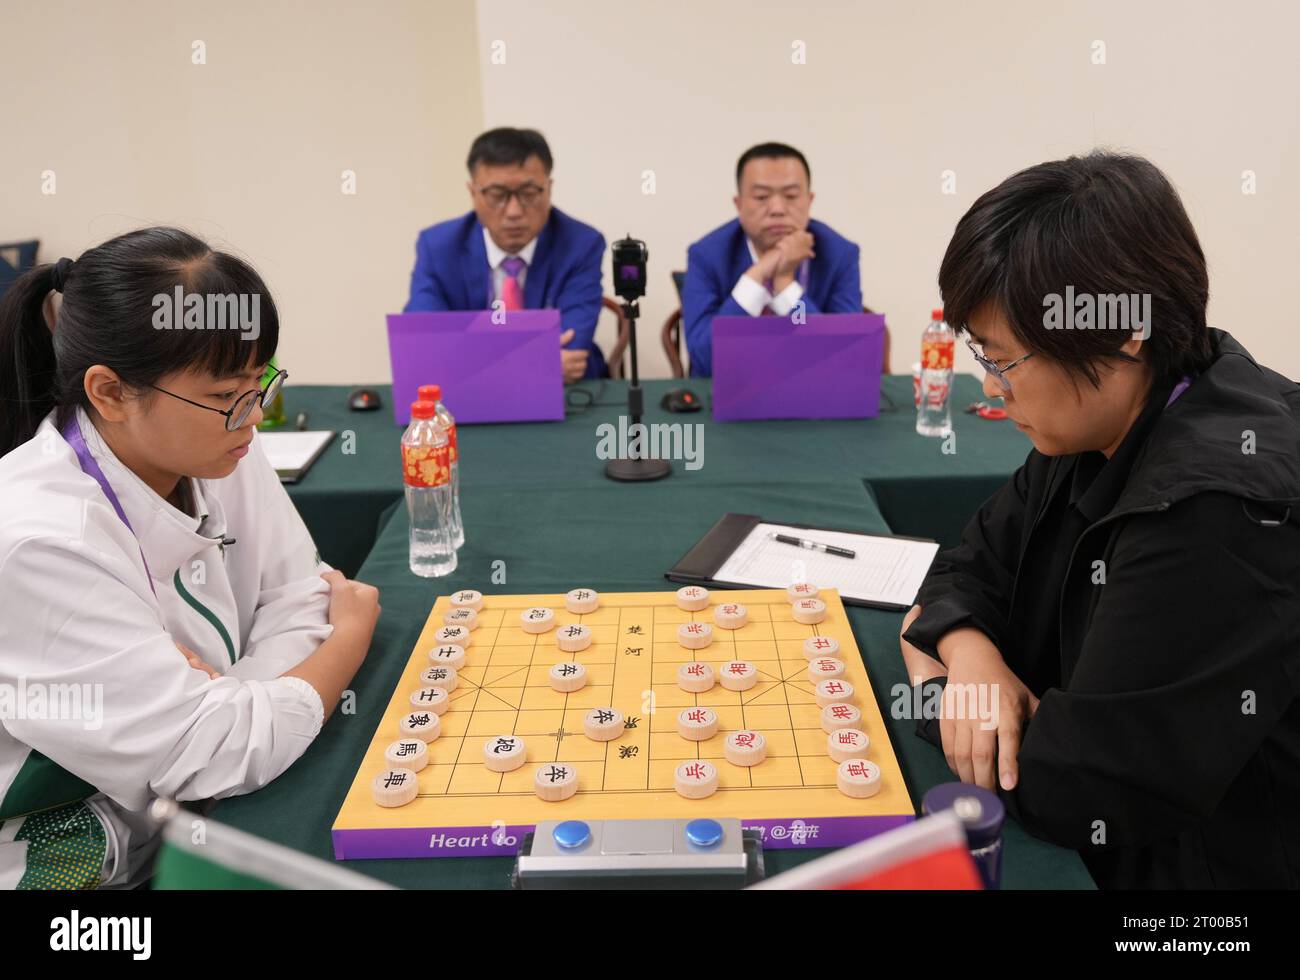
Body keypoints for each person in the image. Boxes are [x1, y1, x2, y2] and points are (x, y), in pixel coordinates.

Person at [898, 151, 1300, 889]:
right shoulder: (1101, 418)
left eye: (1005, 359)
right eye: (982, 351)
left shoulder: (1215, 511)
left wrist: (932, 689)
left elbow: (1076, 786)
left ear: (1122, 334)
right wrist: (970, 658)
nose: (992, 386)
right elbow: (967, 568)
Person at [0, 227, 380, 888]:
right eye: (223, 396)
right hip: (71, 868)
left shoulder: (220, 441)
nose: (253, 415)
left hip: (181, 818)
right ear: (110, 392)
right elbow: (211, 752)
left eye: (258, 382)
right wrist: (347, 639)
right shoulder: (34, 541)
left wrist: (227, 701)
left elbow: (299, 597)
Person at [404, 127, 607, 381]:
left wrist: (463, 357)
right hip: (468, 397)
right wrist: (539, 360)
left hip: (566, 396)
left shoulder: (581, 244)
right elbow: (424, 343)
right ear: (473, 192)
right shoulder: (438, 246)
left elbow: (572, 347)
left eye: (529, 193)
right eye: (497, 195)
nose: (513, 211)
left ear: (549, 189)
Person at [682, 142, 863, 377]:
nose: (777, 208)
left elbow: (841, 357)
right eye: (761, 197)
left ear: (809, 201)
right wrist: (757, 276)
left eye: (790, 196)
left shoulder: (839, 254)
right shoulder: (707, 255)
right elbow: (706, 360)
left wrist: (786, 285)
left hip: (810, 391)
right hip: (732, 392)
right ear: (739, 204)